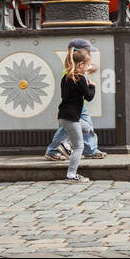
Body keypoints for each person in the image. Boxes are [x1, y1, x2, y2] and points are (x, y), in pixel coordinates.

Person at [44, 38, 107, 162]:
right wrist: (91, 84)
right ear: (80, 60)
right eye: (88, 52)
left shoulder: (76, 70)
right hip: (75, 107)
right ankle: (56, 150)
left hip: (76, 105)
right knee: (71, 129)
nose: (90, 54)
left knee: (84, 127)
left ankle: (89, 150)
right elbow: (87, 93)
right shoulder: (73, 72)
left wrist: (88, 68)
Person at [56, 47, 97, 184]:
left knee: (86, 129)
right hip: (72, 117)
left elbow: (64, 96)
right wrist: (92, 86)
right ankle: (71, 175)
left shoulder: (66, 77)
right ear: (80, 65)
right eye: (87, 65)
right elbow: (89, 96)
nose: (89, 67)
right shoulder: (80, 78)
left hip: (64, 115)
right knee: (79, 147)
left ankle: (65, 142)